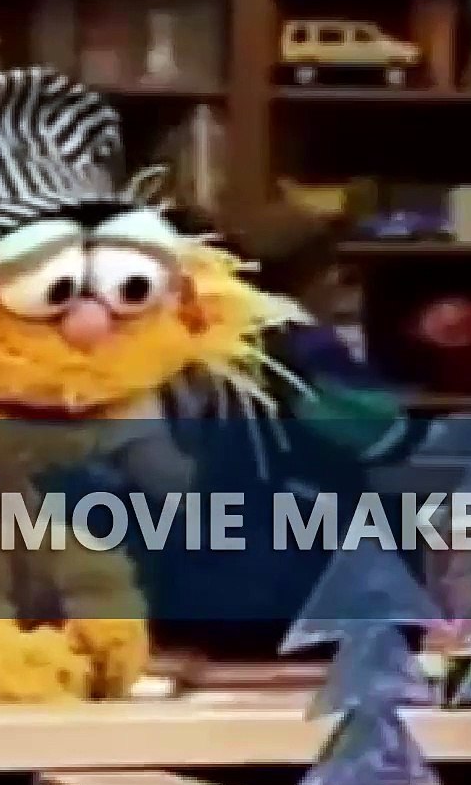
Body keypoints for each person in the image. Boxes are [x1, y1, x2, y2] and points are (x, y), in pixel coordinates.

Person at [141, 201, 433, 657]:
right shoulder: (298, 347)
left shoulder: (149, 355)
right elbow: (384, 438)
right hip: (297, 585)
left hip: (188, 590)